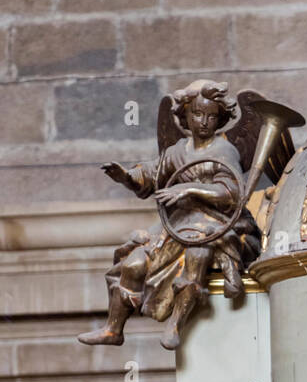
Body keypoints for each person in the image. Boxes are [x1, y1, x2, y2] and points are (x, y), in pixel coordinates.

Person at [79, 80, 260, 351]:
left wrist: (190, 189)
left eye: (212, 116)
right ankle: (114, 328)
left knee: (197, 254)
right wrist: (126, 177)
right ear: (185, 116)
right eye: (197, 114)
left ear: (220, 118)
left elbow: (231, 192)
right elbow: (152, 175)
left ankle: (176, 323)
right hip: (175, 224)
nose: (204, 122)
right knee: (134, 263)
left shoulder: (224, 150)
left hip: (216, 223)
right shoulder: (176, 152)